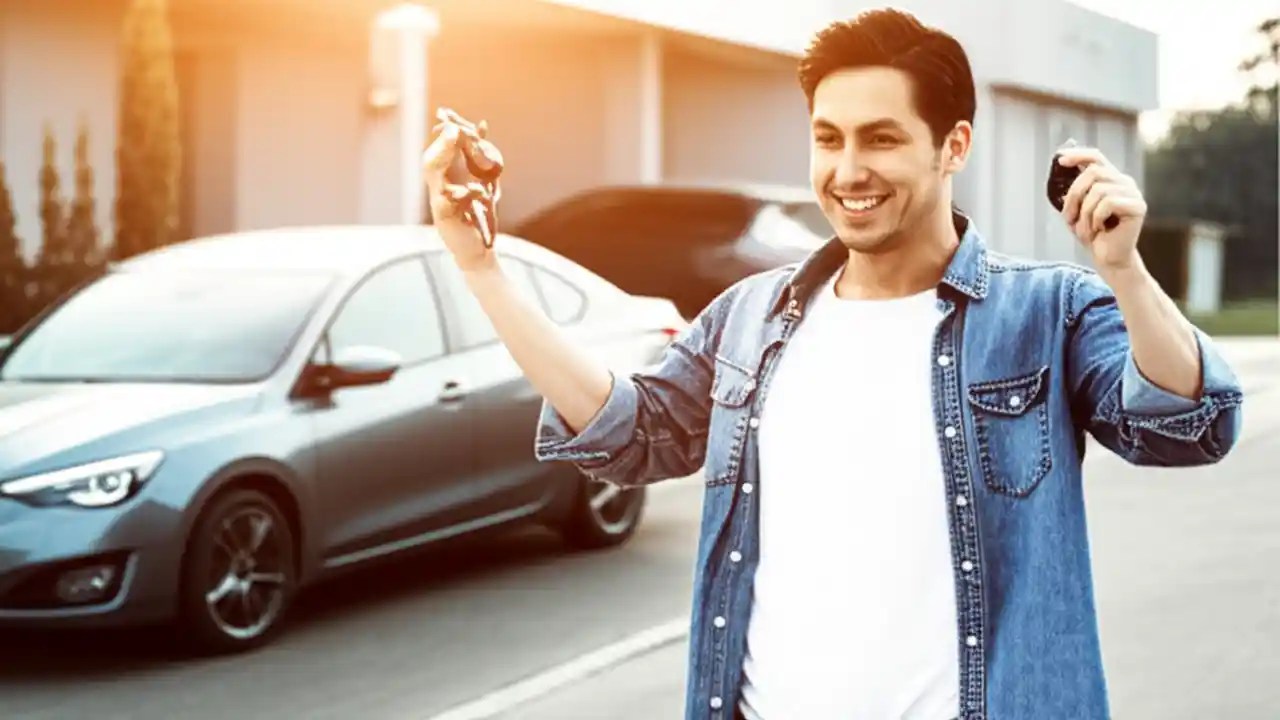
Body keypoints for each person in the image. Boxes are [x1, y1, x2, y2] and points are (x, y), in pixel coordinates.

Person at [421, 8, 1244, 720]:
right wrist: (480, 267)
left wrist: (1126, 272)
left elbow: (1190, 424)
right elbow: (626, 435)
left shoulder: (1045, 312)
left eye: (881, 139)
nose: (848, 171)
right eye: (828, 138)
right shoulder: (752, 320)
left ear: (952, 145)